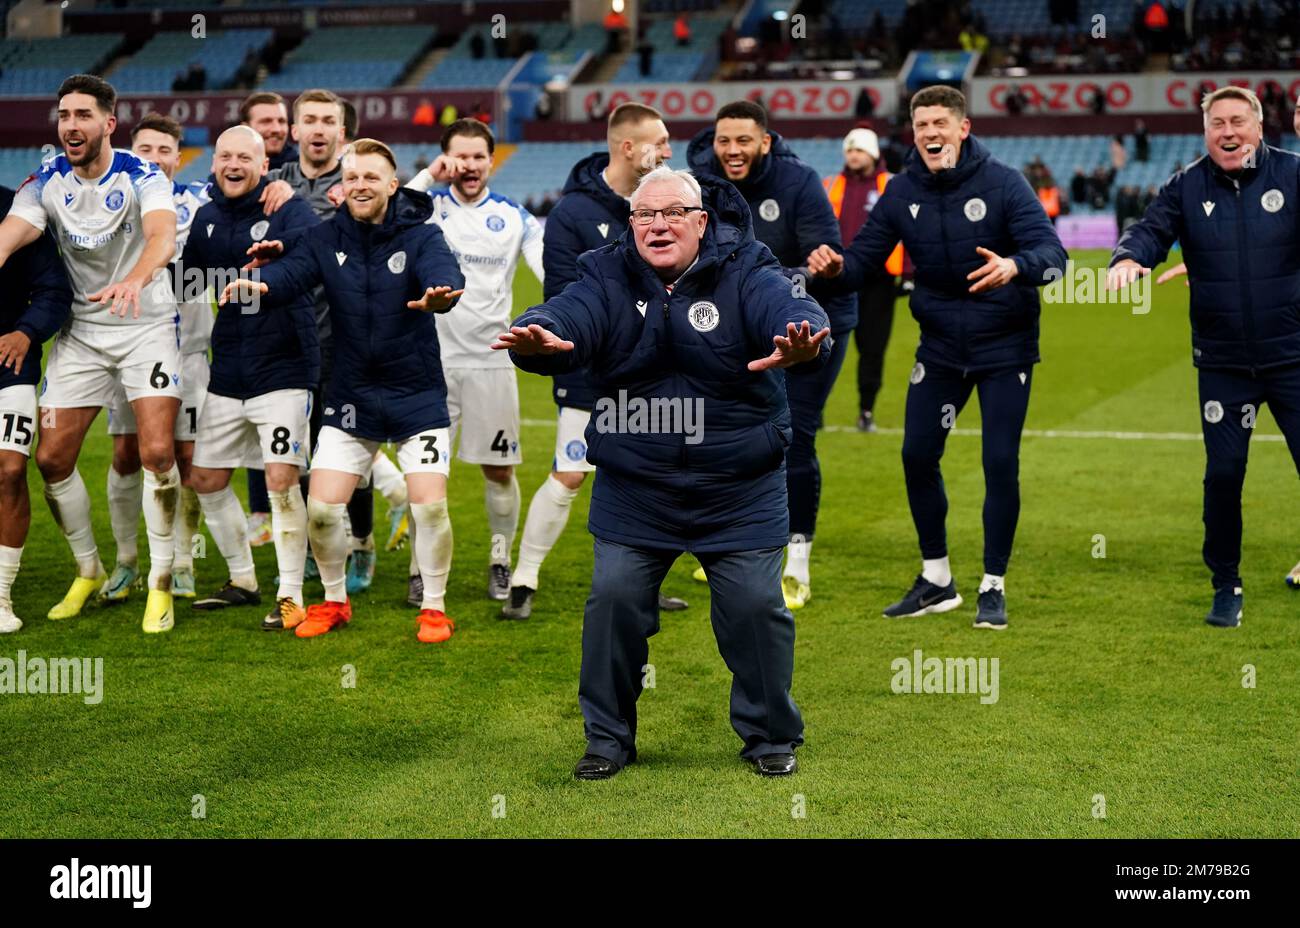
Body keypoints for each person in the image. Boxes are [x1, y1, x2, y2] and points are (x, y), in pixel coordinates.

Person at [494, 166, 830, 780]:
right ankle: (608, 739)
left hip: (739, 481)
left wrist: (803, 340)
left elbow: (787, 305)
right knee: (615, 601)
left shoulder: (750, 267)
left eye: (673, 213)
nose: (658, 225)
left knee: (757, 607)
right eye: (646, 215)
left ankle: (769, 734)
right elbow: (570, 312)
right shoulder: (606, 271)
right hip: (637, 482)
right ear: (631, 224)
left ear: (702, 221)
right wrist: (539, 337)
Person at [808, 85, 1067, 629]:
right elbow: (863, 263)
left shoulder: (1003, 183)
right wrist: (834, 269)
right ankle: (937, 578)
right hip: (942, 347)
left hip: (1004, 345)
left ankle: (993, 585)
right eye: (921, 124)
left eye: (940, 124)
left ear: (963, 128)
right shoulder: (902, 191)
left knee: (999, 462)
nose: (930, 133)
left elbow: (1054, 256)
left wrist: (1016, 266)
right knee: (916, 455)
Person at [222, 139, 464, 641]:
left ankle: (435, 608)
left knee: (429, 505)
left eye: (371, 177)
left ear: (393, 185)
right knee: (325, 508)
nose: (360, 185)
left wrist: (440, 295)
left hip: (416, 393)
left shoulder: (422, 235)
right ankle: (334, 601)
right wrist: (264, 285)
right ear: (341, 186)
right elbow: (294, 272)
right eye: (351, 178)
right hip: (352, 392)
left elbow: (445, 275)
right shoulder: (325, 236)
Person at [1111, 86, 1300, 626]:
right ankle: (1227, 583)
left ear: (1260, 127)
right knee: (1223, 474)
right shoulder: (1186, 186)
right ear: (1206, 131)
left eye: (1239, 121)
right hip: (1223, 365)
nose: (1228, 132)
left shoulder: (1292, 175)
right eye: (1218, 123)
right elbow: (1149, 231)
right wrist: (1129, 258)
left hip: (1292, 356)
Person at [0, 75, 182, 633]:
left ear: (109, 122)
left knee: (154, 452)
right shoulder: (45, 181)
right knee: (51, 460)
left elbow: (162, 237)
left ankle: (161, 581)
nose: (71, 125)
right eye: (63, 115)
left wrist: (134, 280)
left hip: (144, 324)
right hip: (82, 333)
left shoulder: (142, 175)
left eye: (83, 115)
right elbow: (10, 233)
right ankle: (87, 568)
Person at [507, 102, 685, 619]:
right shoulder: (573, 213)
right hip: (594, 372)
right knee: (570, 474)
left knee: (655, 478)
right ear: (628, 147)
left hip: (659, 372)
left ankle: (646, 587)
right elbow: (563, 295)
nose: (670, 150)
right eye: (661, 141)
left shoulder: (669, 202)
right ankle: (524, 580)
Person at [688, 100, 856, 610]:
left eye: (743, 140)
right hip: (736, 327)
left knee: (795, 438)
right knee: (722, 430)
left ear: (765, 141)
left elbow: (823, 253)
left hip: (811, 322)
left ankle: (797, 565)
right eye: (724, 141)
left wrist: (820, 266)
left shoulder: (799, 182)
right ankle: (725, 544)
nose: (732, 150)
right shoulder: (700, 183)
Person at [183, 126, 322, 631]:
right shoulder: (206, 217)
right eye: (225, 156)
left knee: (282, 479)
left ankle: (290, 593)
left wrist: (263, 279)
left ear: (265, 165)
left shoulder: (289, 209)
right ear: (214, 162)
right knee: (206, 478)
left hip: (285, 365)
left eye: (245, 156)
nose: (233, 164)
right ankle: (242, 579)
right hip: (230, 368)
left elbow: (310, 267)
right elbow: (188, 281)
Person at [404, 118, 544, 605]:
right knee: (423, 472)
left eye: (478, 156)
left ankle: (500, 558)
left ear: (491, 160)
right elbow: (390, 211)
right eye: (459, 156)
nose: (469, 165)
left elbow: (548, 270)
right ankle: (420, 567)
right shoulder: (427, 207)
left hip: (491, 362)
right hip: (429, 361)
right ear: (445, 158)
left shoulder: (516, 217)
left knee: (499, 471)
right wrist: (427, 176)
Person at [260, 90, 381, 594]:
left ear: (342, 132)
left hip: (346, 337)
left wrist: (349, 210)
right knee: (304, 447)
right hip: (289, 336)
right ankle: (318, 544)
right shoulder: (273, 183)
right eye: (307, 120)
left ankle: (363, 544)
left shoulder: (357, 184)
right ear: (293, 130)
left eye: (327, 121)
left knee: (350, 443)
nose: (316, 128)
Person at [100, 113, 211, 605]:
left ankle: (184, 562)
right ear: (131, 150)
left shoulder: (200, 204)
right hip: (123, 347)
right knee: (126, 455)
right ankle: (127, 561)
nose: (155, 158)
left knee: (184, 459)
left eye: (165, 150)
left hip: (188, 353)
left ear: (177, 156)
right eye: (145, 149)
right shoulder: (109, 203)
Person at [0, 184, 73, 633]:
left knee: (9, 471)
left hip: (9, 365)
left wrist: (26, 332)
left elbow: (53, 290)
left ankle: (1, 595)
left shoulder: (19, 212)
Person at [823, 127, 904, 434]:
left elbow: (907, 231)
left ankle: (866, 410)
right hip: (834, 278)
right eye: (849, 150)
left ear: (872, 154)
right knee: (823, 344)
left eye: (859, 150)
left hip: (879, 280)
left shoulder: (892, 185)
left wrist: (908, 273)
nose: (853, 156)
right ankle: (816, 408)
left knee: (872, 348)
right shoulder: (830, 184)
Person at [240, 91, 297, 172]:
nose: (276, 129)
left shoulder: (305, 172)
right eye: (266, 121)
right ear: (246, 129)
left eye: (281, 121)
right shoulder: (229, 173)